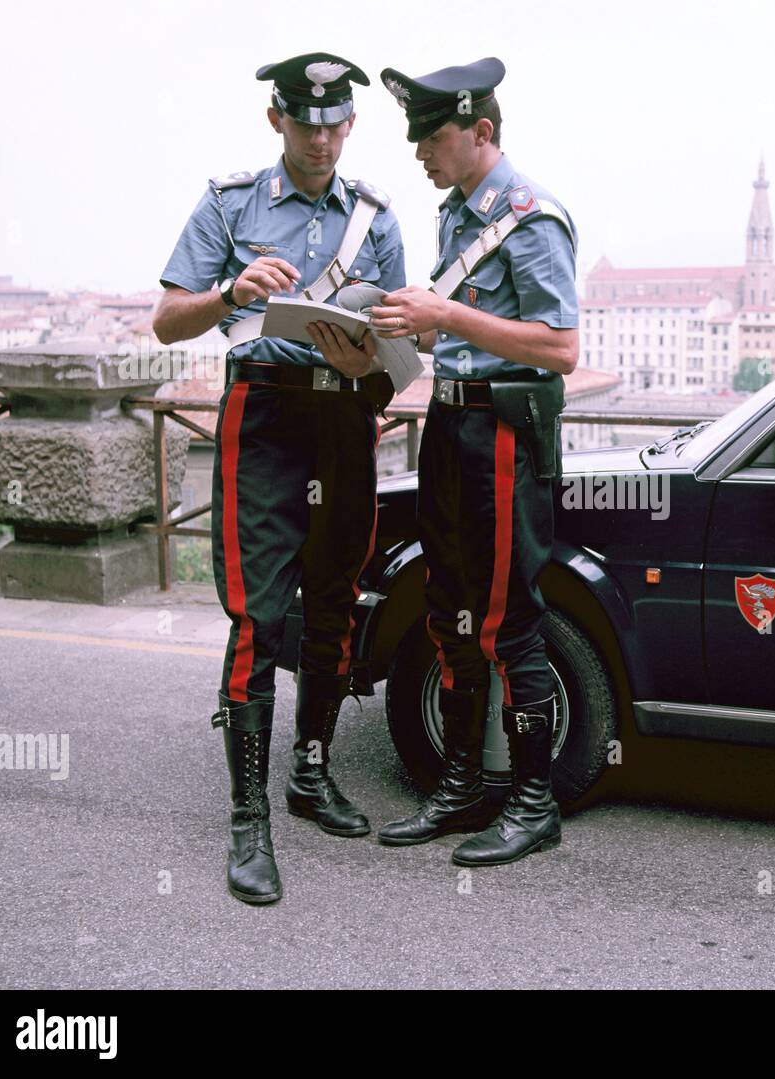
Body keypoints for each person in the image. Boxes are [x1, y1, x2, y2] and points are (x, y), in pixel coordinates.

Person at [311, 56, 578, 867]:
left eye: (433, 136)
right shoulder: (457, 214)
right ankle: (461, 784)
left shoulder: (531, 217)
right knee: (449, 606)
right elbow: (462, 331)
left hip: (502, 433)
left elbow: (560, 347)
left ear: (481, 130)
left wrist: (447, 314)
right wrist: (401, 326)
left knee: (507, 618)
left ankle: (533, 802)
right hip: (452, 426)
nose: (420, 151)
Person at [152, 52, 406, 904]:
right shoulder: (231, 203)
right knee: (257, 618)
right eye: (306, 123)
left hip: (343, 419)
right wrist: (231, 292)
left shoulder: (376, 219)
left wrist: (371, 360)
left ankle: (311, 771)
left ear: (351, 124)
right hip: (261, 418)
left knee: (334, 601)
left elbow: (400, 355)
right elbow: (166, 320)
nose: (321, 139)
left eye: (335, 124)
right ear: (277, 120)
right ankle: (247, 815)